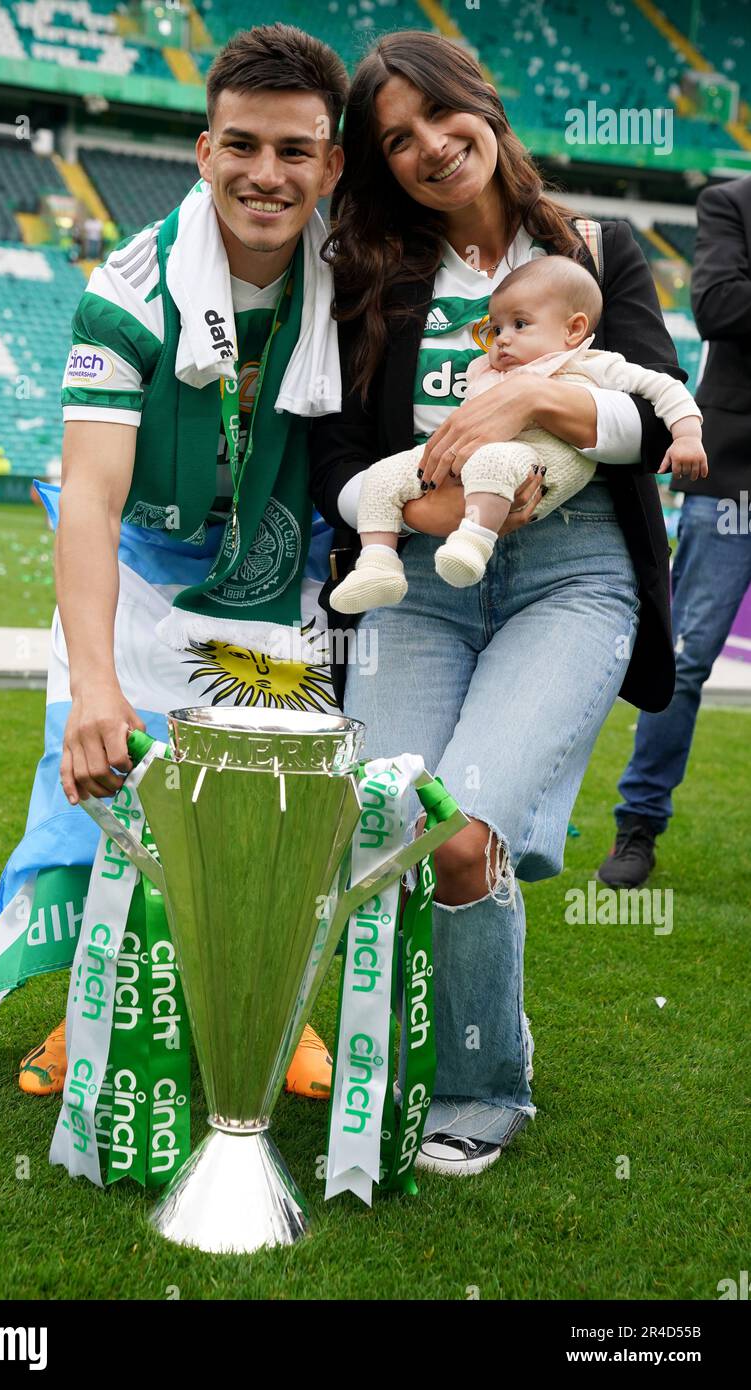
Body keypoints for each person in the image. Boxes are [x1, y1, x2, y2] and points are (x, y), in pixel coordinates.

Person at [0, 24, 349, 1111]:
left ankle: (275, 1006)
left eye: (295, 151)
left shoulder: (360, 288)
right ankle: (91, 1003)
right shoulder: (125, 291)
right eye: (242, 145)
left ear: (333, 164)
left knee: (269, 813)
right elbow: (89, 494)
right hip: (142, 567)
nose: (266, 174)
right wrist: (95, 682)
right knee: (98, 789)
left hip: (281, 576)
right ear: (203, 149)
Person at [310, 32, 681, 1176]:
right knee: (400, 829)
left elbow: (660, 430)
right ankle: (410, 1050)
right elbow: (339, 453)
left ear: (484, 104)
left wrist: (534, 392)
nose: (430, 147)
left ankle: (480, 1089)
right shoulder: (371, 268)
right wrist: (429, 507)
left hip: (574, 577)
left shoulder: (601, 251)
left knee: (466, 830)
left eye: (440, 115)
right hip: (420, 577)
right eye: (396, 139)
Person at [329, 256, 706, 611]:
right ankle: (378, 564)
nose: (502, 339)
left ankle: (473, 542)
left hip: (536, 457)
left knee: (498, 461)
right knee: (380, 476)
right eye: (496, 329)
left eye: (519, 325)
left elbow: (664, 388)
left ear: (573, 329)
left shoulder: (592, 363)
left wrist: (687, 435)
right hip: (466, 461)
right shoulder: (486, 370)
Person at [597, 173, 751, 887]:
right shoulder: (730, 200)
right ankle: (637, 825)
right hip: (731, 475)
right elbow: (718, 305)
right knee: (685, 659)